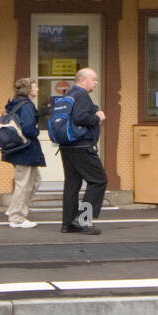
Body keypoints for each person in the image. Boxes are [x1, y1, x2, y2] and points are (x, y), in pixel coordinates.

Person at [59, 68, 106, 235]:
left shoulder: (69, 95)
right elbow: (80, 118)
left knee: (72, 184)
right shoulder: (82, 95)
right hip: (82, 146)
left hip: (67, 146)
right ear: (82, 80)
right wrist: (97, 117)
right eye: (94, 79)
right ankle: (83, 220)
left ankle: (68, 223)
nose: (96, 82)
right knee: (98, 181)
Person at [2, 78, 45, 229]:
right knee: (24, 183)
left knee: (33, 181)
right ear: (28, 90)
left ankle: (17, 210)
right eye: (35, 87)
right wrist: (37, 130)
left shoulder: (14, 104)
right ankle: (16, 217)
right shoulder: (26, 106)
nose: (37, 89)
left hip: (18, 148)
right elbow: (28, 129)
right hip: (26, 149)